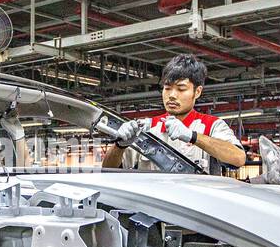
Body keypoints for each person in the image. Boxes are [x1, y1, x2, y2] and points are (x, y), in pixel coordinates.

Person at [102, 55, 246, 172]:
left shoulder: (211, 126)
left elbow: (238, 158)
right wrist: (119, 145)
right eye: (167, 88)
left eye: (181, 89)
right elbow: (108, 170)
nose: (172, 95)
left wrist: (192, 136)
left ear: (197, 91)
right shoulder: (147, 128)